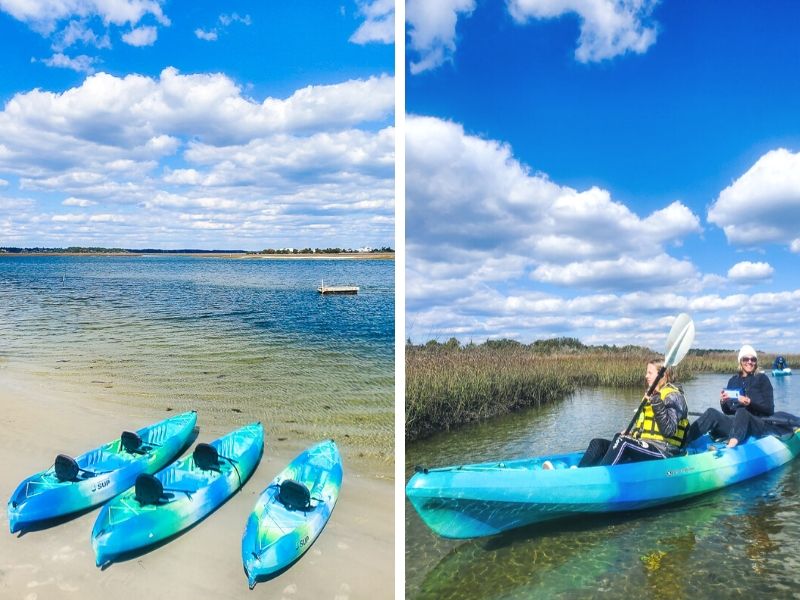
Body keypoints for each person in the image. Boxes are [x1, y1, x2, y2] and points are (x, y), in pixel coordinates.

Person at [576, 358, 689, 468]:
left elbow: (669, 430)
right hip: (646, 445)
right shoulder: (653, 395)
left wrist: (655, 400)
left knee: (623, 441)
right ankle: (578, 474)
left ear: (662, 375)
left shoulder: (674, 396)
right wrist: (632, 433)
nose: (646, 376)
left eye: (650, 373)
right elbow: (644, 426)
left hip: (664, 450)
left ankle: (601, 477)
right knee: (598, 443)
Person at [685, 344, 774, 448]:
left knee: (742, 411)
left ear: (756, 362)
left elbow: (769, 409)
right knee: (711, 412)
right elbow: (728, 411)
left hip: (758, 424)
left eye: (753, 359)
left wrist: (750, 403)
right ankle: (683, 443)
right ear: (740, 361)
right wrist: (723, 402)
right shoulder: (733, 381)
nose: (749, 362)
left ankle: (730, 446)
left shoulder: (762, 379)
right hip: (737, 424)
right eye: (746, 359)